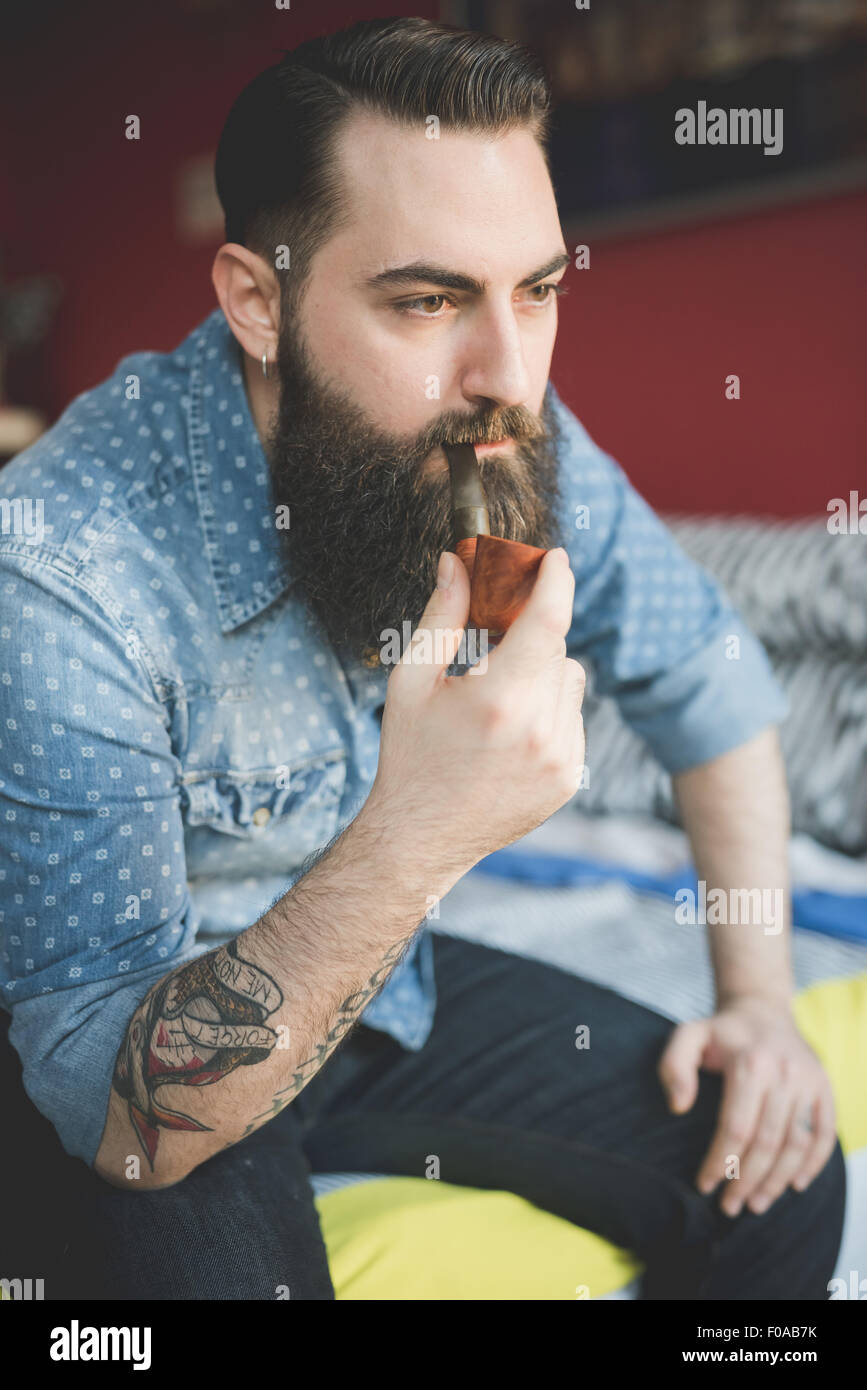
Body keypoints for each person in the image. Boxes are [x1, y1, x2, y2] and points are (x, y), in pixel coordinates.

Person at [0, 17, 844, 1301]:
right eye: (428, 299)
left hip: (385, 989)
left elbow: (708, 682)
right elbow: (120, 1117)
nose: (508, 372)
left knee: (781, 1169)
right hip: (147, 1039)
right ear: (257, 303)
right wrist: (424, 829)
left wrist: (762, 1003)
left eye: (542, 289)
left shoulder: (501, 433)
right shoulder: (64, 563)